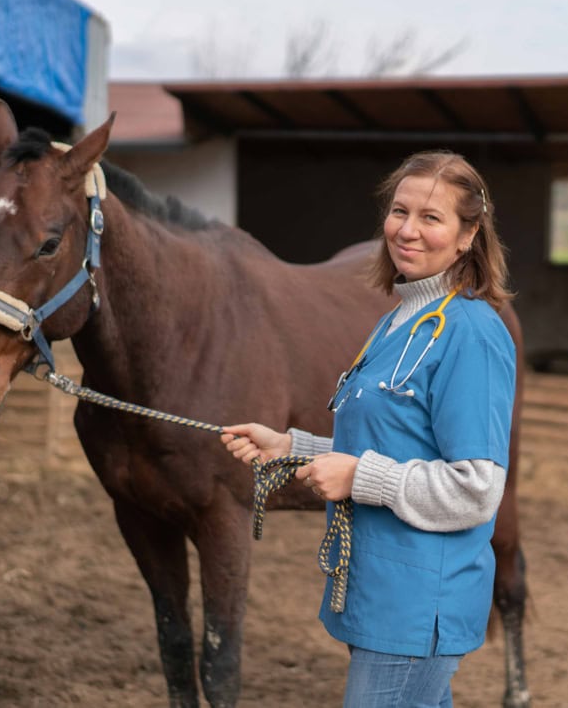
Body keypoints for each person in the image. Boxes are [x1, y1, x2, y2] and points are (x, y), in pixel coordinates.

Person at [221, 150, 516, 708]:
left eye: (431, 218)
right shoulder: (395, 321)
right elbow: (390, 446)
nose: (407, 230)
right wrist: (291, 446)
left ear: (467, 235)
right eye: (399, 211)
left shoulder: (472, 332)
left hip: (418, 601)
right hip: (376, 589)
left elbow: (477, 488)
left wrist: (359, 476)